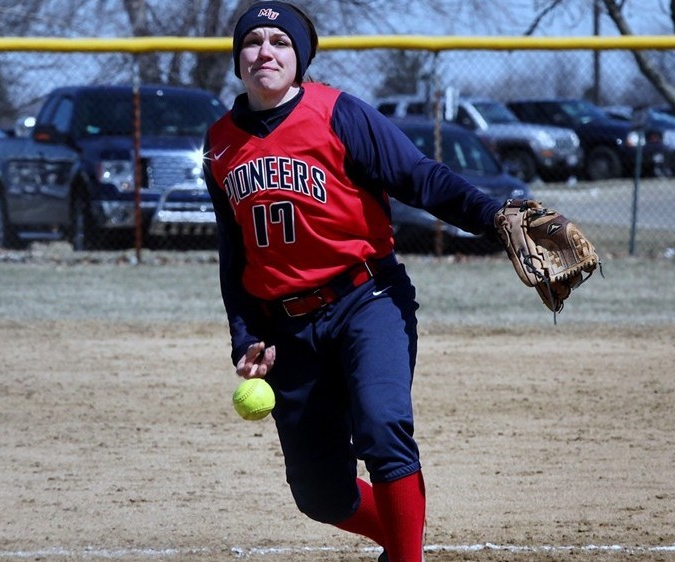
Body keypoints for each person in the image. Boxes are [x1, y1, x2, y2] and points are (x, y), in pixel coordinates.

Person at [203, 3, 514, 561]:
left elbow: (420, 176)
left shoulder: (339, 113)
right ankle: (399, 545)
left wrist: (493, 217)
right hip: (288, 328)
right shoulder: (220, 145)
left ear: (300, 57)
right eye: (253, 42)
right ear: (237, 58)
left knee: (383, 426)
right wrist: (245, 334)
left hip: (366, 297)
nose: (265, 52)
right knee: (322, 495)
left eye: (280, 41)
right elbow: (235, 252)